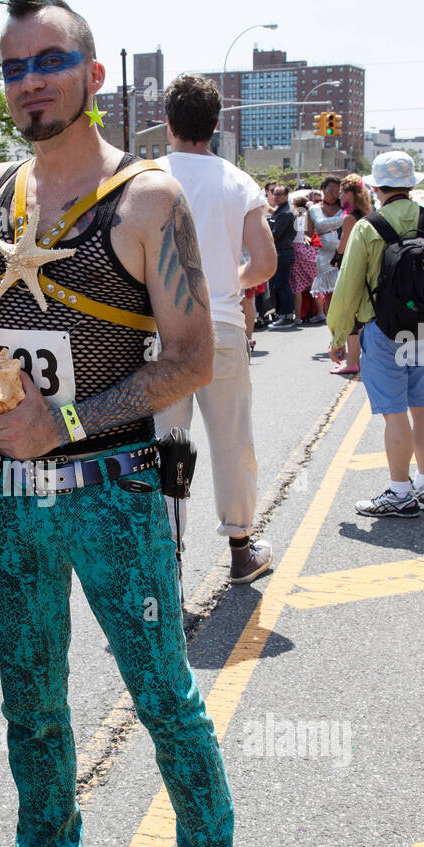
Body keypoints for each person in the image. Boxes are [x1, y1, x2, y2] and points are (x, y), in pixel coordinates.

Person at [0, 0, 246, 847]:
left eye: (50, 62)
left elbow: (192, 357)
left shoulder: (146, 199)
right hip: (1, 494)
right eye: (11, 66)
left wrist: (67, 419)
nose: (29, 80)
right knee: (29, 700)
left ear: (91, 74)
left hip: (114, 483)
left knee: (162, 696)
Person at [154, 72, 275, 585]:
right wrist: (230, 282)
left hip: (162, 331)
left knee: (168, 444)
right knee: (232, 440)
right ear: (216, 124)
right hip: (221, 325)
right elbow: (265, 261)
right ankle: (242, 550)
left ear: (168, 122)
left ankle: (170, 562)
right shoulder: (237, 181)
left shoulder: (147, 176)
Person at [327, 151, 424, 517]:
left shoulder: (367, 227)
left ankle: (398, 491)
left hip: (383, 329)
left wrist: (338, 336)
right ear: (411, 184)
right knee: (421, 406)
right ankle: (423, 487)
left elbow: (347, 288)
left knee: (394, 413)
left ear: (375, 187)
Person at [327, 173, 374, 372]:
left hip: (352, 267)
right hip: (367, 267)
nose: (339, 196)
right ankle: (358, 358)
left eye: (342, 192)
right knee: (361, 314)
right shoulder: (366, 213)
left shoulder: (349, 217)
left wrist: (335, 257)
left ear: (350, 194)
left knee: (350, 313)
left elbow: (343, 244)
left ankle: (353, 361)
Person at [304, 175, 344, 321]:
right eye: (331, 191)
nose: (334, 195)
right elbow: (306, 234)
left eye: (337, 192)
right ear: (322, 190)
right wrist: (307, 240)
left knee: (345, 296)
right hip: (324, 258)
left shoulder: (345, 208)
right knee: (329, 298)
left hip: (344, 255)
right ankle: (333, 331)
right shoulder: (313, 210)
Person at [266, 183, 298, 327]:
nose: (275, 196)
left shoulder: (285, 212)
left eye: (279, 194)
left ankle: (286, 316)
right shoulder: (282, 210)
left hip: (282, 252)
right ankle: (285, 314)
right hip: (282, 251)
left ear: (286, 195)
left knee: (282, 284)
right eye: (274, 193)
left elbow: (275, 234)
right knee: (281, 284)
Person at [290, 195, 317, 321]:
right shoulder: (311, 217)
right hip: (310, 250)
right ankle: (321, 313)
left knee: (298, 285)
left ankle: (298, 316)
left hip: (297, 249)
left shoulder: (295, 217)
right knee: (315, 283)